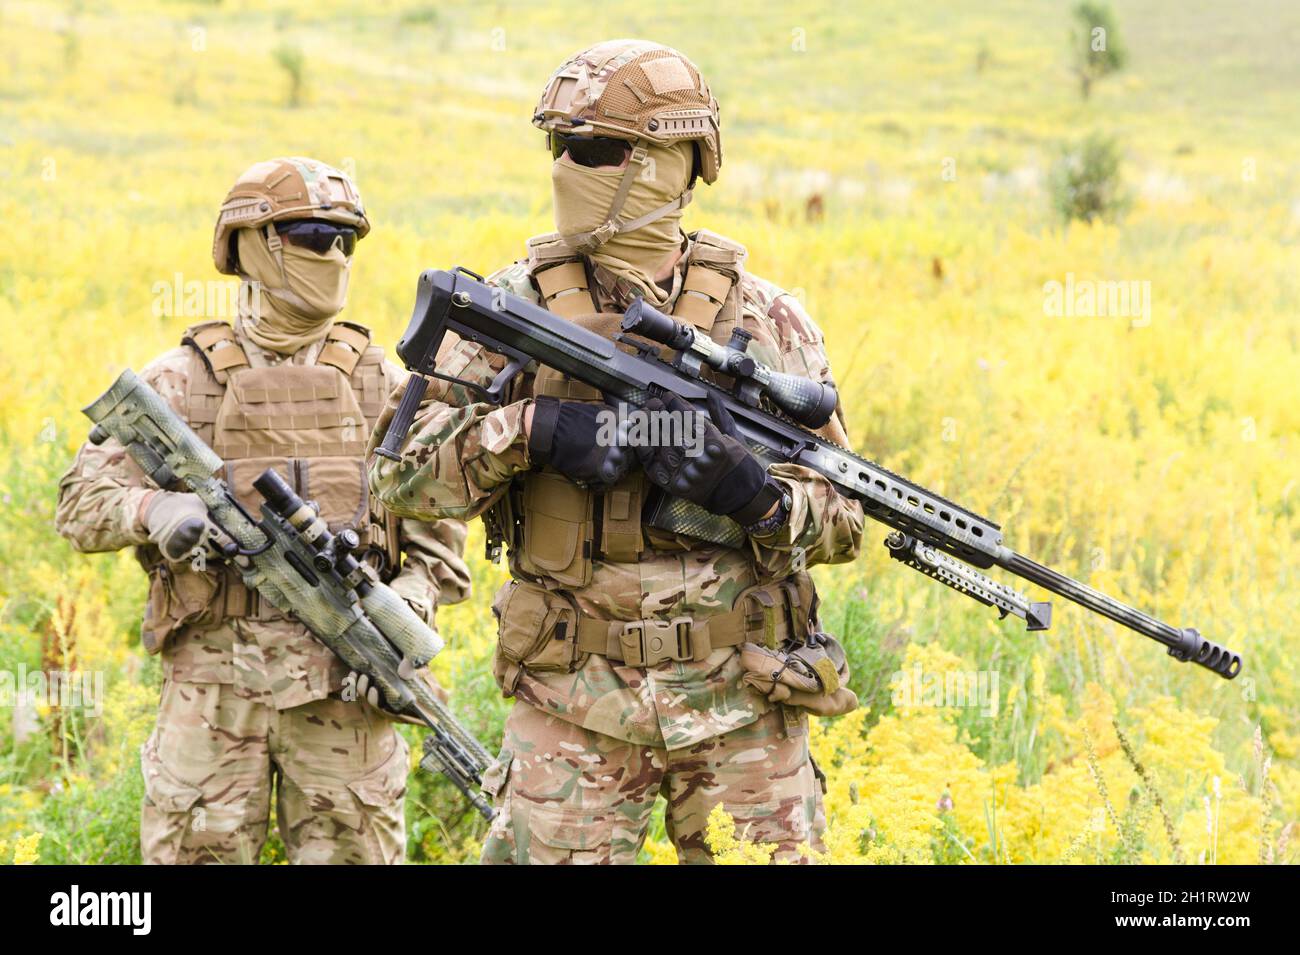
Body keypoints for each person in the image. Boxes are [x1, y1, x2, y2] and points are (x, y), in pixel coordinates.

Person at [369, 41, 863, 864]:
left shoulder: (770, 324)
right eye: (558, 145)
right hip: (574, 711)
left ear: (678, 161)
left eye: (596, 148)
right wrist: (528, 434)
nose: (568, 165)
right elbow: (396, 477)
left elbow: (850, 514)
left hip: (747, 702)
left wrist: (761, 500)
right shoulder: (510, 309)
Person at [56, 157, 470, 864]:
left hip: (347, 692)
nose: (334, 256)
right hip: (212, 694)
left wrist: (408, 604)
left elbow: (438, 542)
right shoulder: (180, 383)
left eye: (347, 240)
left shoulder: (382, 386)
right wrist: (156, 509)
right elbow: (78, 503)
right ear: (253, 242)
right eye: (314, 235)